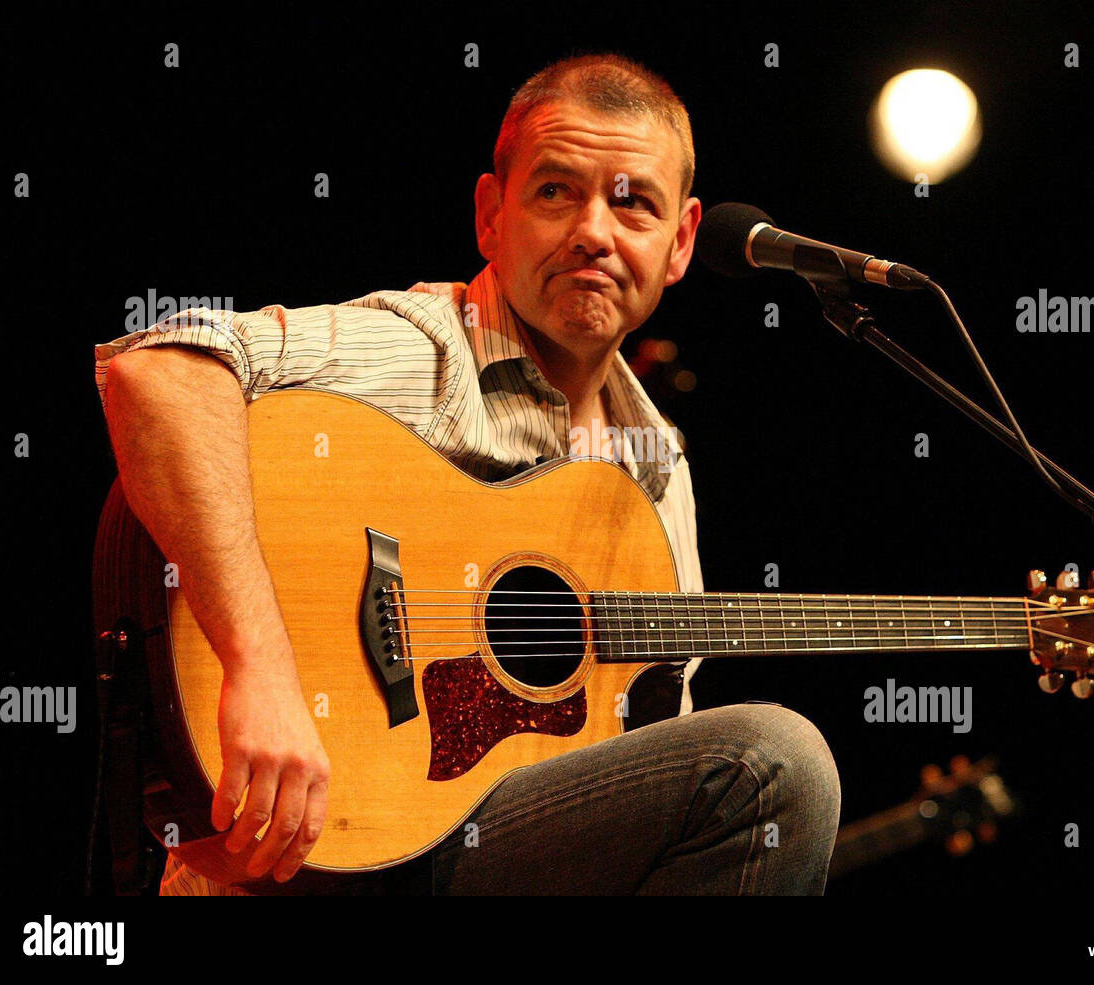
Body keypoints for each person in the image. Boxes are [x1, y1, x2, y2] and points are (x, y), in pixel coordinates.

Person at [94, 52, 841, 895]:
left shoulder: (656, 458)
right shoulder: (425, 353)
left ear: (681, 243)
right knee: (773, 763)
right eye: (556, 191)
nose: (595, 230)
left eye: (633, 202)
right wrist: (259, 670)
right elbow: (156, 374)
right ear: (491, 216)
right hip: (319, 850)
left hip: (489, 844)